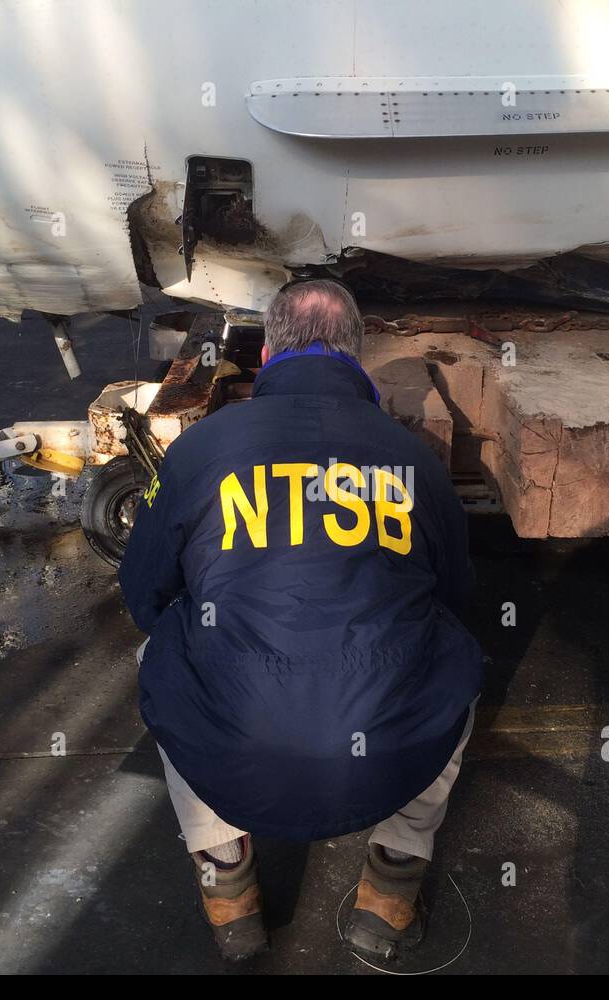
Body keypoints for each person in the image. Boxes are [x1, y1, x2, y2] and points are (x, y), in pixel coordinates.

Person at [119, 279, 482, 963]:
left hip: (232, 759)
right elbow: (456, 596)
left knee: (160, 654)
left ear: (268, 353)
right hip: (385, 763)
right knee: (454, 661)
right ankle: (388, 897)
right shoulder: (412, 461)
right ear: (357, 353)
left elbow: (143, 595)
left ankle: (230, 900)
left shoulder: (200, 451)